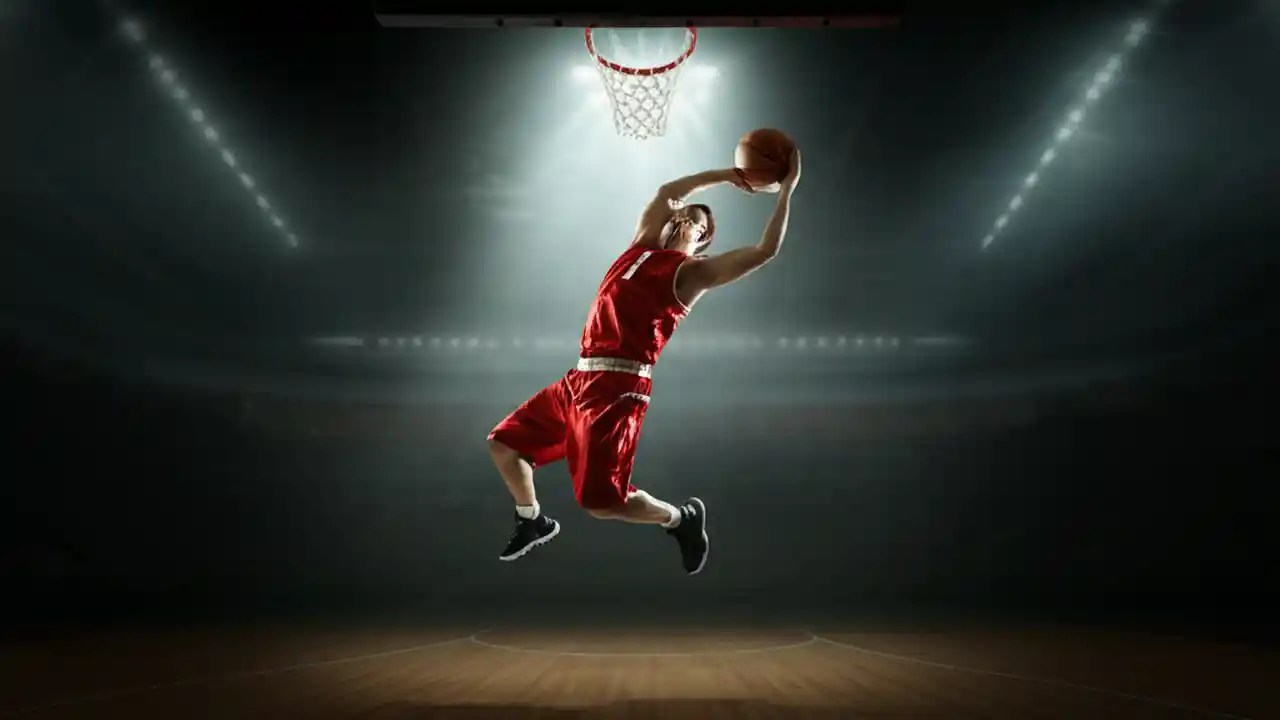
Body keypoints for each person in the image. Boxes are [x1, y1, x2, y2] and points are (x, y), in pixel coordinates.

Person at [486, 148, 802, 575]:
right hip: (578, 379)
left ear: (703, 240)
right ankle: (532, 520)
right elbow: (670, 190)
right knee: (504, 444)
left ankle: (680, 519)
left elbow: (765, 250)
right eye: (683, 214)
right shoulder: (640, 247)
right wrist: (730, 174)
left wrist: (786, 190)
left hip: (619, 389)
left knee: (601, 504)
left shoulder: (692, 273)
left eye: (697, 222)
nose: (684, 219)